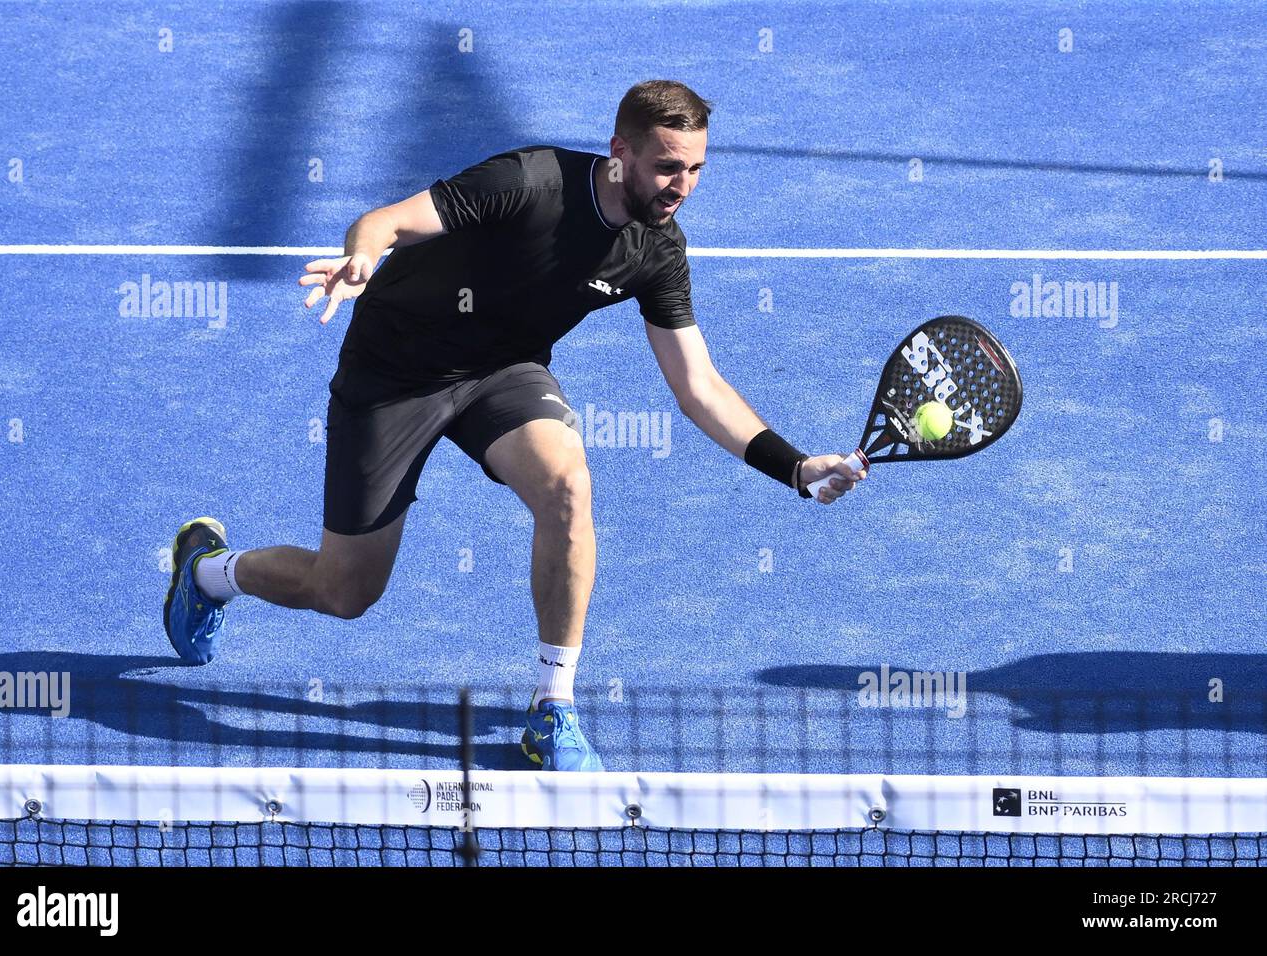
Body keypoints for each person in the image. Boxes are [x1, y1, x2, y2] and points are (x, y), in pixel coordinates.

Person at [163, 79, 866, 772]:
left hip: (502, 374)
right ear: (620, 150)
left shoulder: (656, 250)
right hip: (392, 376)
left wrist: (795, 467)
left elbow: (698, 385)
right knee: (345, 592)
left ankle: (551, 708)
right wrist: (361, 256)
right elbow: (390, 221)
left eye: (696, 170)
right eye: (667, 167)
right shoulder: (530, 181)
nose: (682, 185)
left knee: (568, 485)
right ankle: (209, 573)